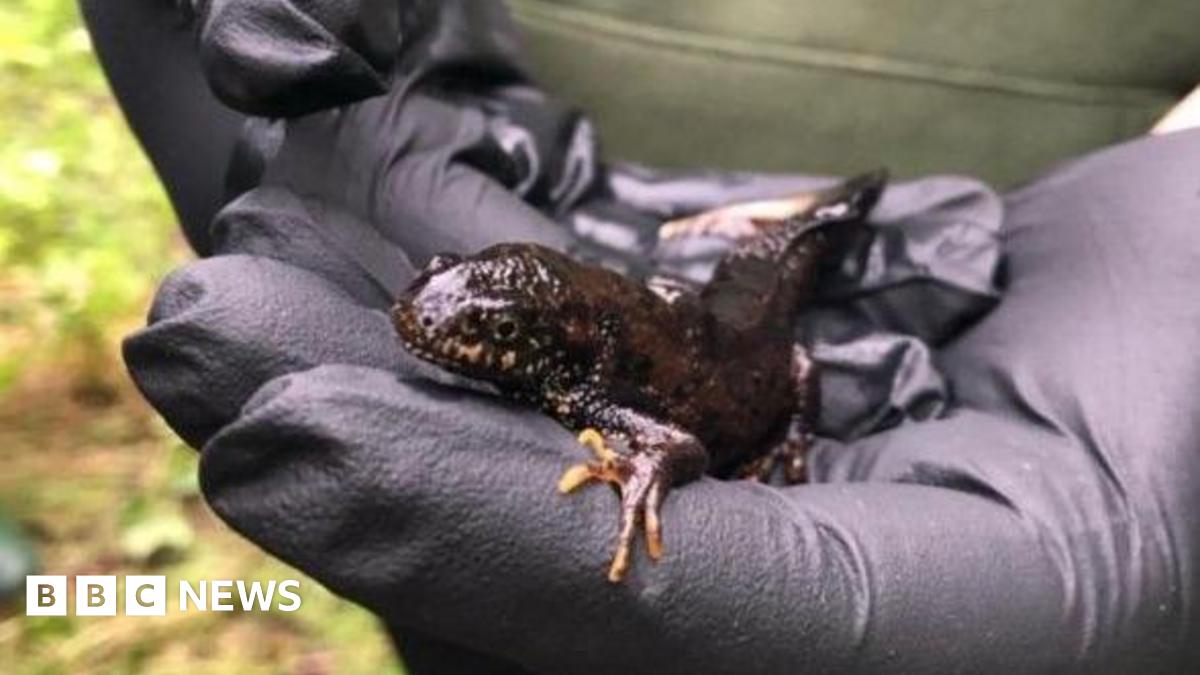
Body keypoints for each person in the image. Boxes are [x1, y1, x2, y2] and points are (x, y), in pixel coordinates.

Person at [83, 1, 1199, 673]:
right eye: (440, 299)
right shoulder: (557, 338)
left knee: (779, 326)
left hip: (827, 310)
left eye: (482, 331)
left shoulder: (608, 398)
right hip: (541, 164)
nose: (431, 325)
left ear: (544, 348)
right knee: (461, 571)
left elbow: (680, 442)